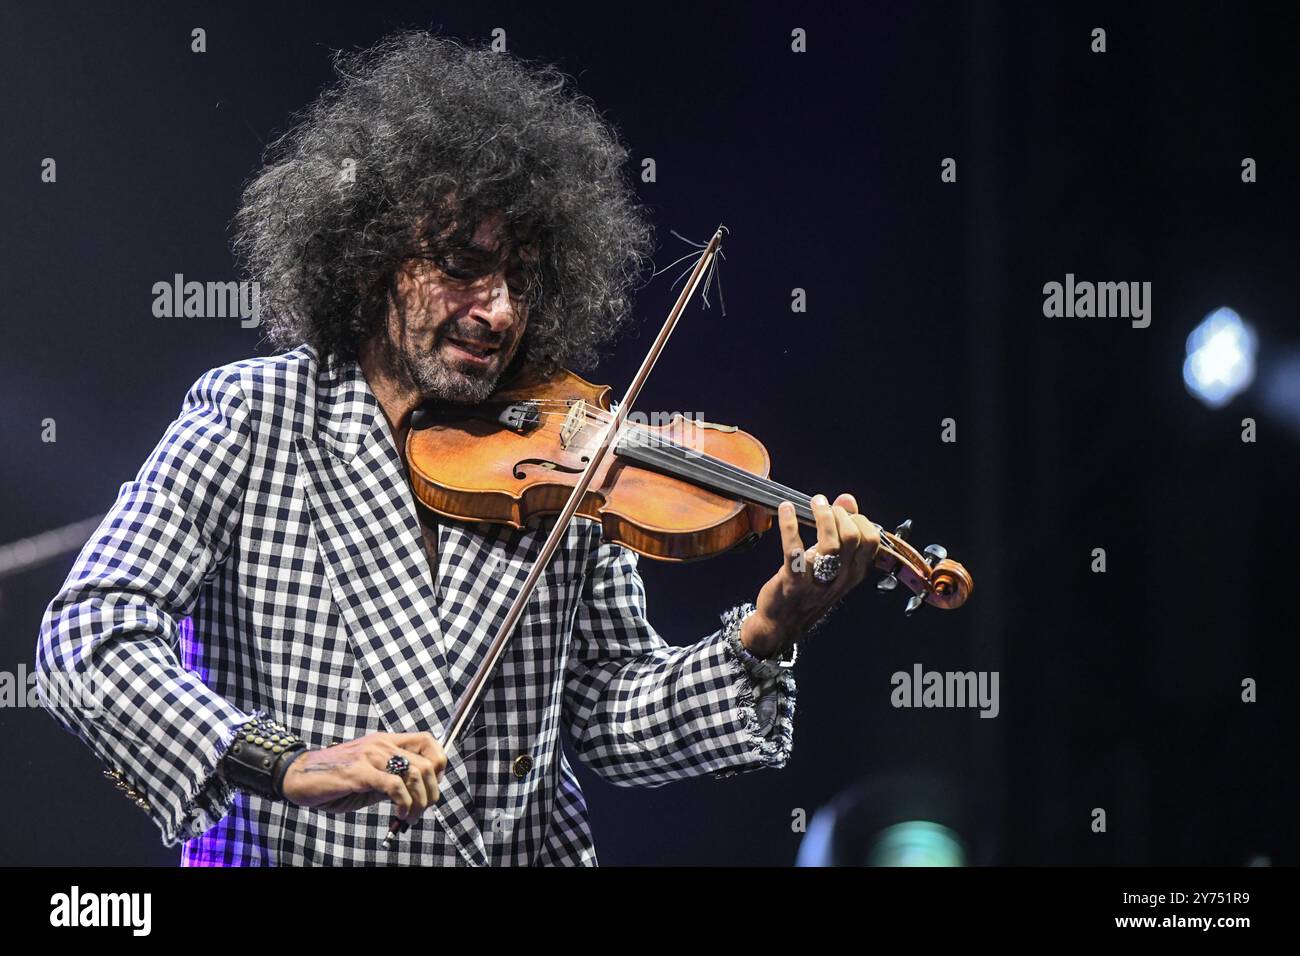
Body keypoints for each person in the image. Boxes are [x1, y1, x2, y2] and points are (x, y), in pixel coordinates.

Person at [36, 31, 880, 866]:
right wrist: (282, 762)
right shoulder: (258, 412)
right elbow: (87, 636)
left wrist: (766, 632)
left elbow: (609, 718)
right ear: (371, 257)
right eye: (463, 264)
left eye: (520, 277)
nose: (502, 310)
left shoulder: (573, 450)